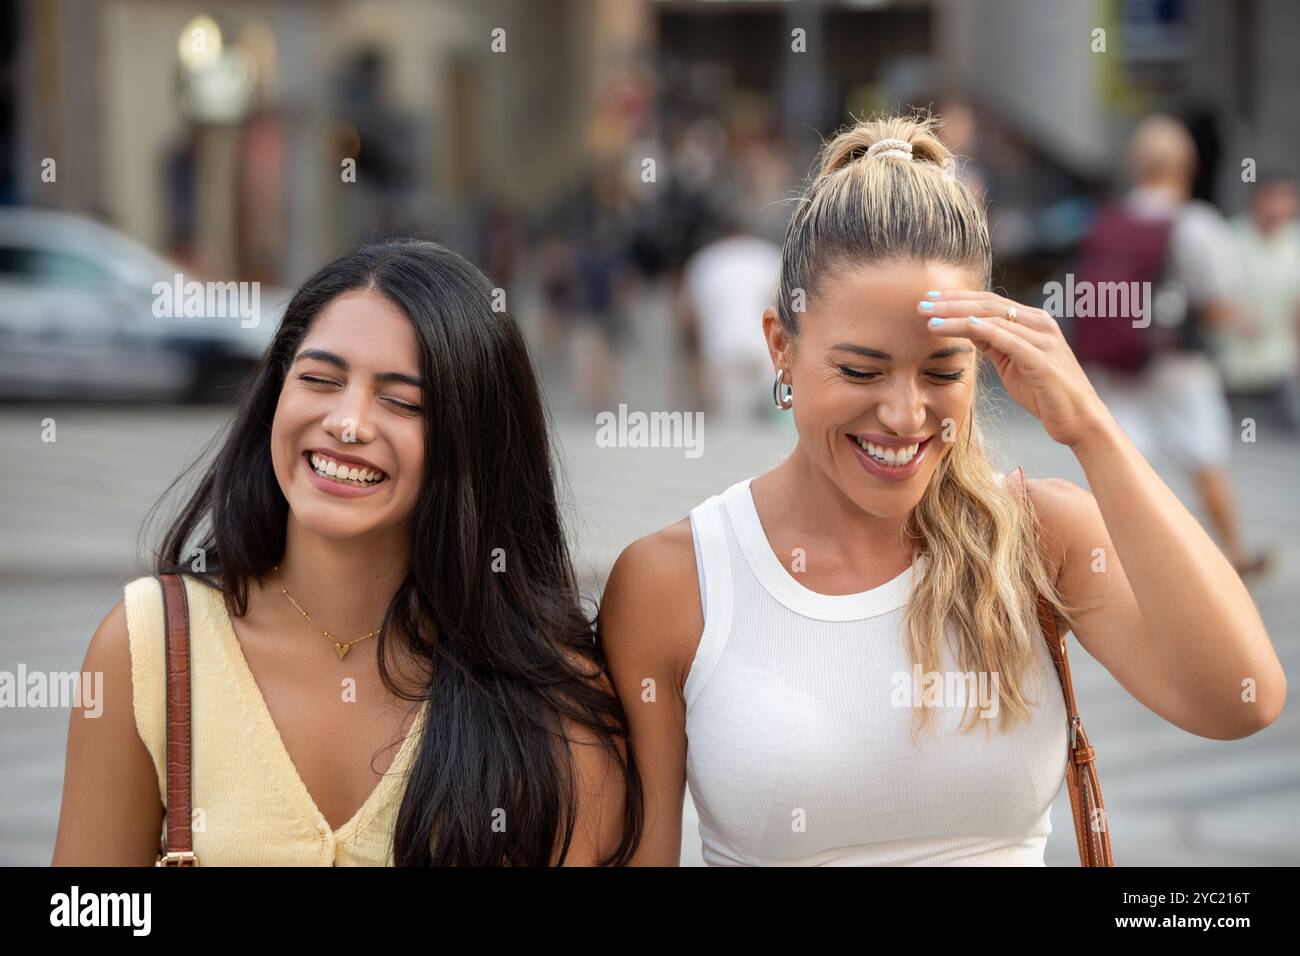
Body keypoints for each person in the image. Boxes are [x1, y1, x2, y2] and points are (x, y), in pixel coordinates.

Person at [598, 113, 1286, 866]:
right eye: (859, 371)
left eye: (942, 372)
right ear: (779, 348)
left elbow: (1242, 700)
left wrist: (1092, 427)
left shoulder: (1040, 534)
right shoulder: (674, 581)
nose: (902, 414)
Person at [52, 239, 642, 866]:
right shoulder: (149, 647)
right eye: (319, 380)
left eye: (402, 402)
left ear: (474, 442)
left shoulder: (554, 700)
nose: (348, 422)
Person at [1072, 114, 1271, 579]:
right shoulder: (1195, 224)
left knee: (1123, 469)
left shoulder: (1108, 221)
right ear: (1187, 166)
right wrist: (1249, 324)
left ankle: (1110, 561)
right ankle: (1235, 555)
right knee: (1205, 460)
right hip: (1177, 366)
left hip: (1116, 364)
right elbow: (1215, 303)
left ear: (1135, 166)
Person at [1214, 172, 1300, 433]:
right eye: (1271, 198)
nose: (1278, 207)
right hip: (1227, 369)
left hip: (1280, 372)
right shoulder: (1228, 238)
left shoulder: (1295, 244)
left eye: (1285, 199)